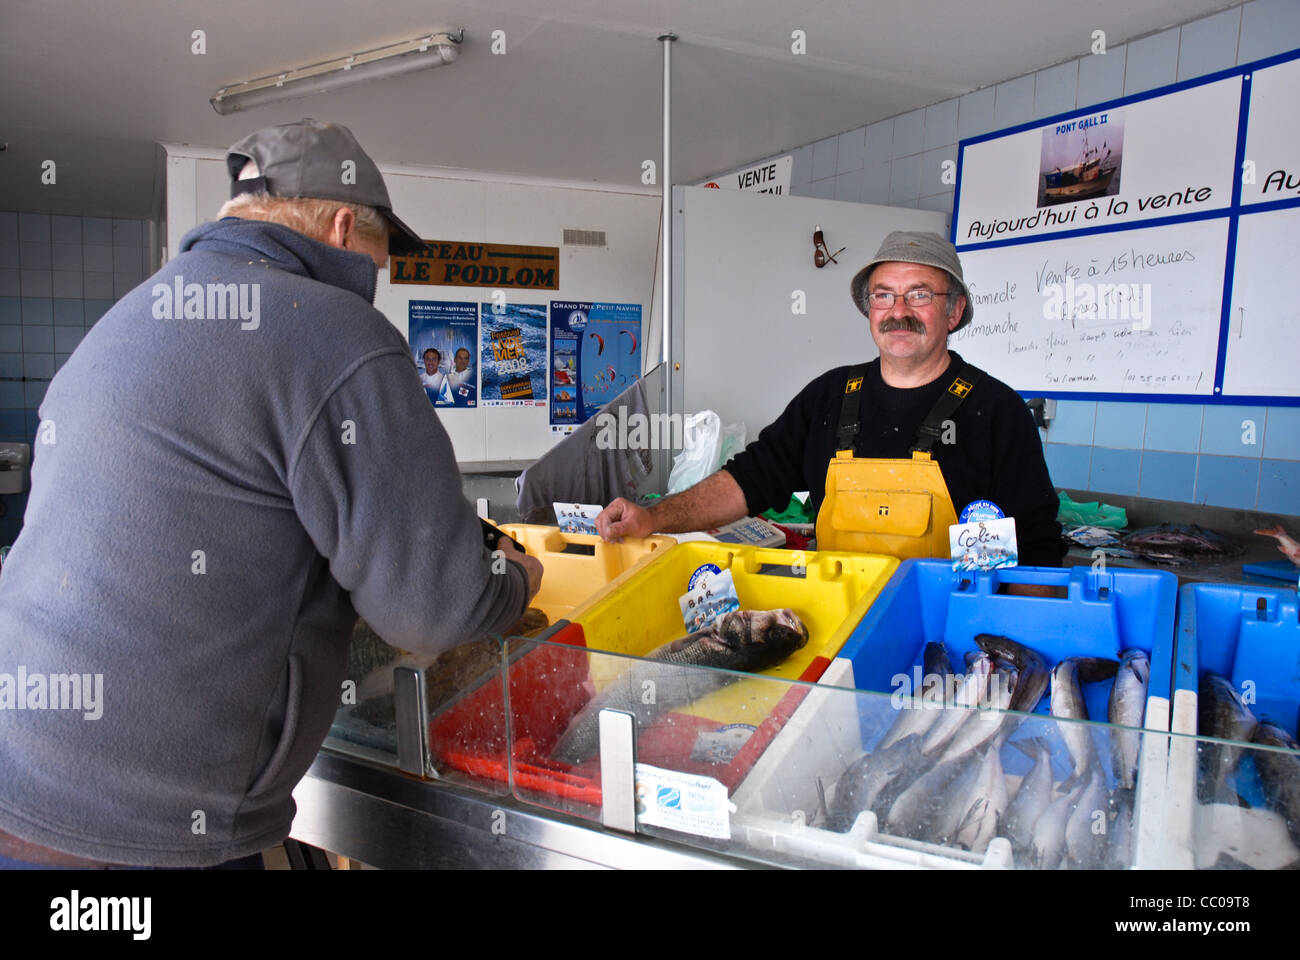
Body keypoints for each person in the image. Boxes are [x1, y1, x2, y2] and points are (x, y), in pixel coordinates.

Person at [0, 119, 543, 869]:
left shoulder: (129, 318)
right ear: (345, 226)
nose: (375, 282)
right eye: (379, 262)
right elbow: (434, 608)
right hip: (152, 831)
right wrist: (513, 581)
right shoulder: (335, 329)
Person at [597, 231, 1063, 569]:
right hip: (835, 627)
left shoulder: (997, 411)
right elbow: (749, 480)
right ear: (869, 311)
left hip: (945, 636)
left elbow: (1038, 551)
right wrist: (654, 517)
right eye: (884, 296)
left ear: (954, 311)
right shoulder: (831, 396)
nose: (898, 311)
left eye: (919, 295)